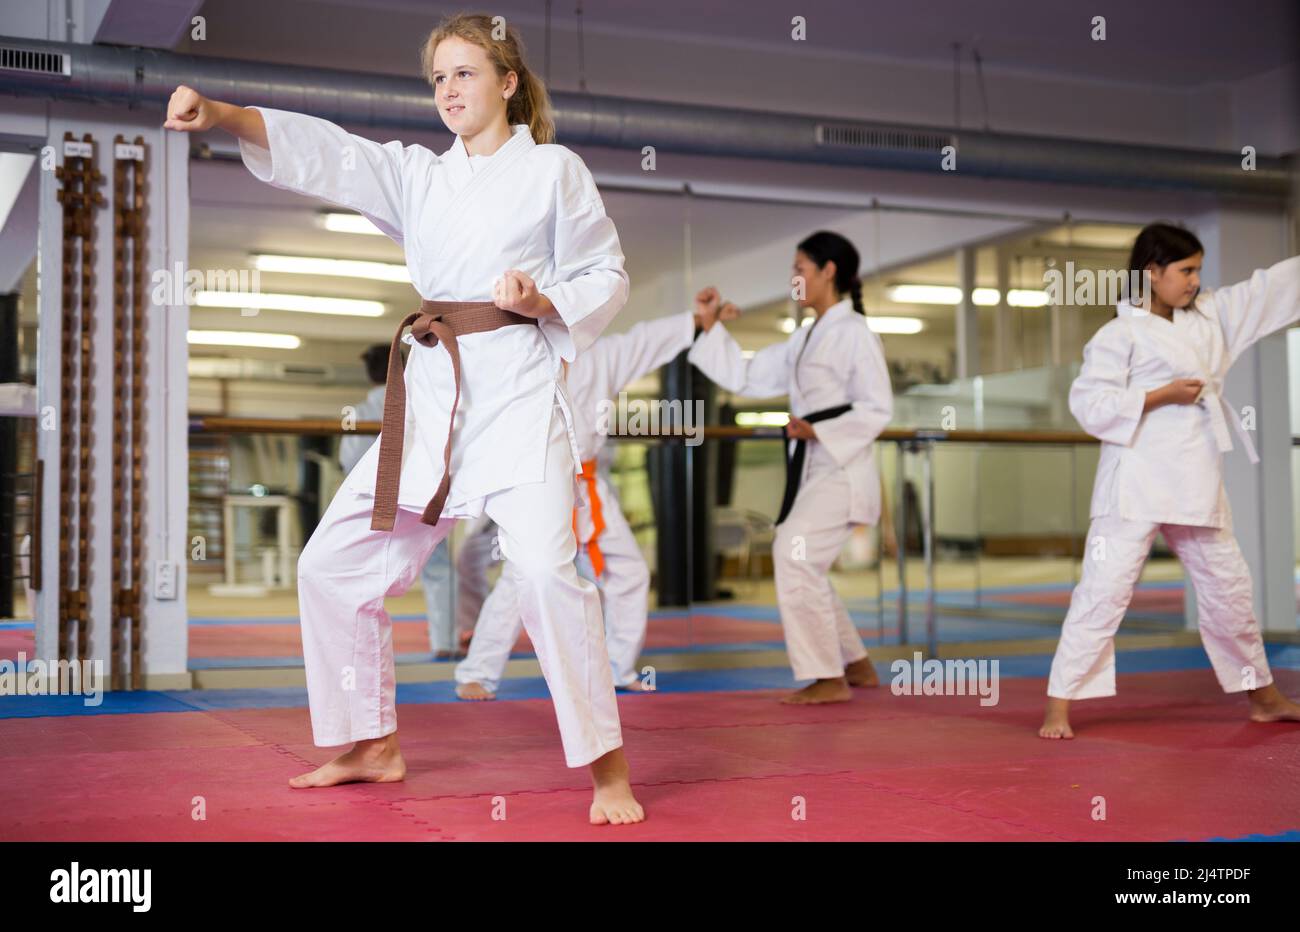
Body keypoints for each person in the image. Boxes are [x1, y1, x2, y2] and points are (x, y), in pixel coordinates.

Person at [164, 12, 644, 824]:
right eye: (438, 79)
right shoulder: (420, 176)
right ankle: (369, 742)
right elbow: (333, 156)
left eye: (465, 72)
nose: (450, 90)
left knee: (544, 576)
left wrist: (545, 297)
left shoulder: (554, 170)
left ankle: (608, 770)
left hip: (520, 401)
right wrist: (224, 114)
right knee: (331, 567)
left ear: (508, 82)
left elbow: (608, 271)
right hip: (433, 403)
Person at [1040, 222, 1300, 739]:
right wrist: (1161, 395)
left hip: (1197, 478)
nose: (1195, 281)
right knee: (1104, 591)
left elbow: (1271, 289)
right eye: (1185, 271)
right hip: (1134, 483)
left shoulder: (1211, 318)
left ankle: (1264, 697)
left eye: (1199, 269)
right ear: (1151, 273)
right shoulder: (1118, 334)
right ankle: (1058, 705)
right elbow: (1089, 406)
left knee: (1230, 589)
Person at [689, 231, 893, 704]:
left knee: (793, 553)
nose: (793, 279)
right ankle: (856, 664)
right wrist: (712, 326)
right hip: (813, 468)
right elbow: (747, 376)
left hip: (841, 468)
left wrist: (820, 430)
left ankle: (828, 677)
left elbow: (878, 407)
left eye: (800, 269)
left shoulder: (856, 333)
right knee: (807, 563)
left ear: (829, 272)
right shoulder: (804, 339)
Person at [455, 307, 699, 699]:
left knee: (630, 572)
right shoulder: (517, 353)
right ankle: (478, 672)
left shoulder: (602, 355)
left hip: (587, 485)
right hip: (534, 483)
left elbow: (645, 339)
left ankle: (619, 666)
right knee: (521, 579)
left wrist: (696, 320)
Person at [341, 344, 458, 659]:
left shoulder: (360, 412)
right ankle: (445, 642)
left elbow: (349, 460)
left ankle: (356, 645)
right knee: (438, 568)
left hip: (375, 497)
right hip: (420, 496)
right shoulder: (423, 403)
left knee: (363, 570)